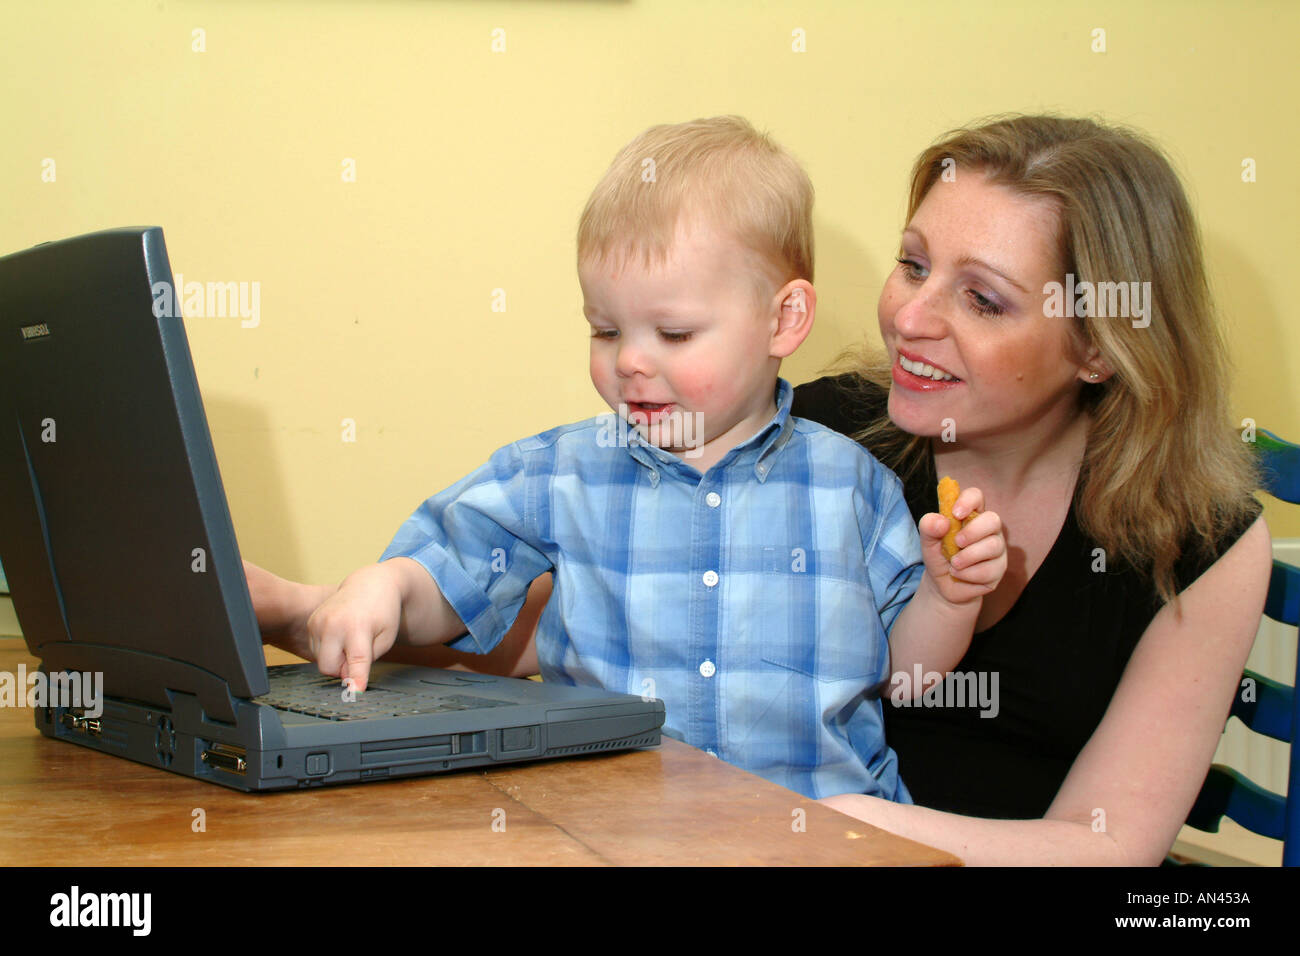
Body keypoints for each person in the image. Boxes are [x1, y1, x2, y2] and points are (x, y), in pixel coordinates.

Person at [247, 115, 1008, 802]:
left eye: (673, 334)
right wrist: (386, 585)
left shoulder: (852, 485)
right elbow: (446, 575)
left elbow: (903, 678)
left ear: (784, 319)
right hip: (613, 830)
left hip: (823, 838)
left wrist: (947, 599)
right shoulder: (558, 474)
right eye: (605, 331)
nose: (632, 364)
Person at [795, 114, 1271, 864]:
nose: (911, 319)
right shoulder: (814, 439)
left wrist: (841, 824)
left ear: (1097, 346)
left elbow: (1109, 845)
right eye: (914, 265)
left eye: (983, 300)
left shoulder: (1201, 541)